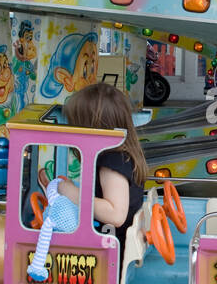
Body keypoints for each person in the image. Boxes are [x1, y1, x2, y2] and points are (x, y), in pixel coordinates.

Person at [53, 82, 149, 257]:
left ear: (91, 128)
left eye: (76, 126)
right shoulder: (123, 156)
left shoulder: (112, 161)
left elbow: (115, 215)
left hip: (108, 255)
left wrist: (71, 192)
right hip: (107, 249)